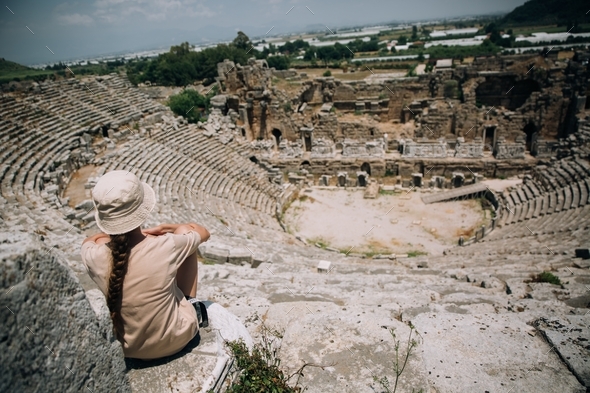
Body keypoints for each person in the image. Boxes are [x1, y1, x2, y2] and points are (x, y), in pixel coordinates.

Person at [80, 170, 210, 360]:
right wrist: (164, 228)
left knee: (103, 245)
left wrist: (118, 235)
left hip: (128, 349)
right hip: (177, 339)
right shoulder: (167, 244)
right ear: (141, 208)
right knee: (185, 236)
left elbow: (90, 240)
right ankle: (189, 300)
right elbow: (202, 232)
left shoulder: (92, 255)